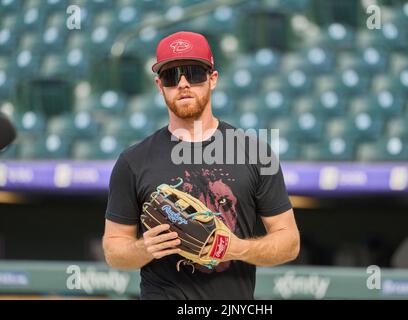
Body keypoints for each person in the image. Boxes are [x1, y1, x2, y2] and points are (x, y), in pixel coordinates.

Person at [102, 31, 300, 300]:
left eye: (193, 74)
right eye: (172, 76)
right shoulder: (133, 161)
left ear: (212, 79)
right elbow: (114, 249)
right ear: (160, 85)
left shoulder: (253, 152)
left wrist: (235, 248)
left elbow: (289, 242)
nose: (183, 84)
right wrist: (144, 249)